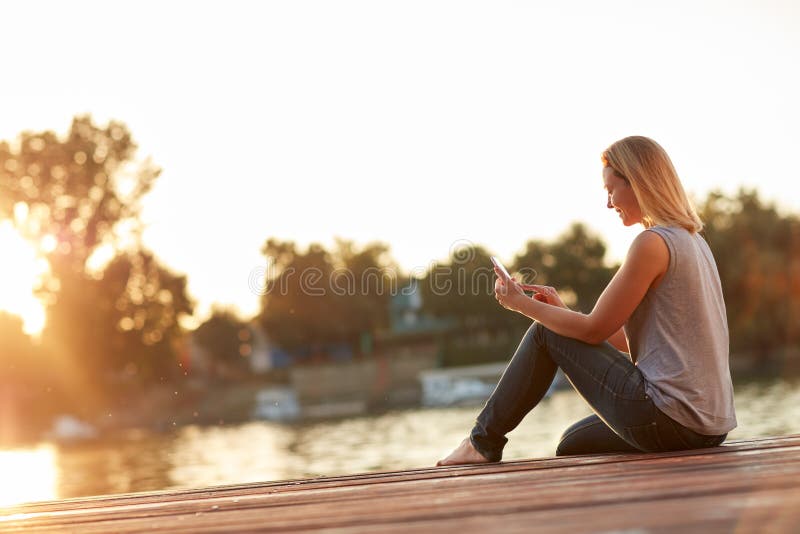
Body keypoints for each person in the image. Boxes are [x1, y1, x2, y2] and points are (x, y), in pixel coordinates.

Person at [437, 136, 737, 466]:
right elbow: (627, 339)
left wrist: (521, 304)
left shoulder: (652, 244)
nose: (608, 203)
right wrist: (564, 313)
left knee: (545, 332)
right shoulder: (694, 242)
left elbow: (594, 331)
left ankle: (481, 443)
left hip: (670, 418)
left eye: (611, 190)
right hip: (708, 427)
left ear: (637, 182)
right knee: (572, 442)